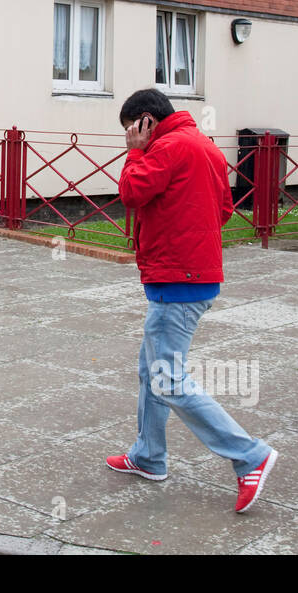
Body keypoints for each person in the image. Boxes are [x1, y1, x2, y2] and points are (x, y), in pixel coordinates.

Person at [106, 88, 277, 514]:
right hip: (195, 275)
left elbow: (131, 193)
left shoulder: (163, 148)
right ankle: (148, 456)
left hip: (176, 277)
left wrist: (134, 153)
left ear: (144, 122)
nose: (128, 136)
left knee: (167, 378)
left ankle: (249, 455)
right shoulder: (205, 145)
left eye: (130, 129)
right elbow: (222, 210)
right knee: (151, 370)